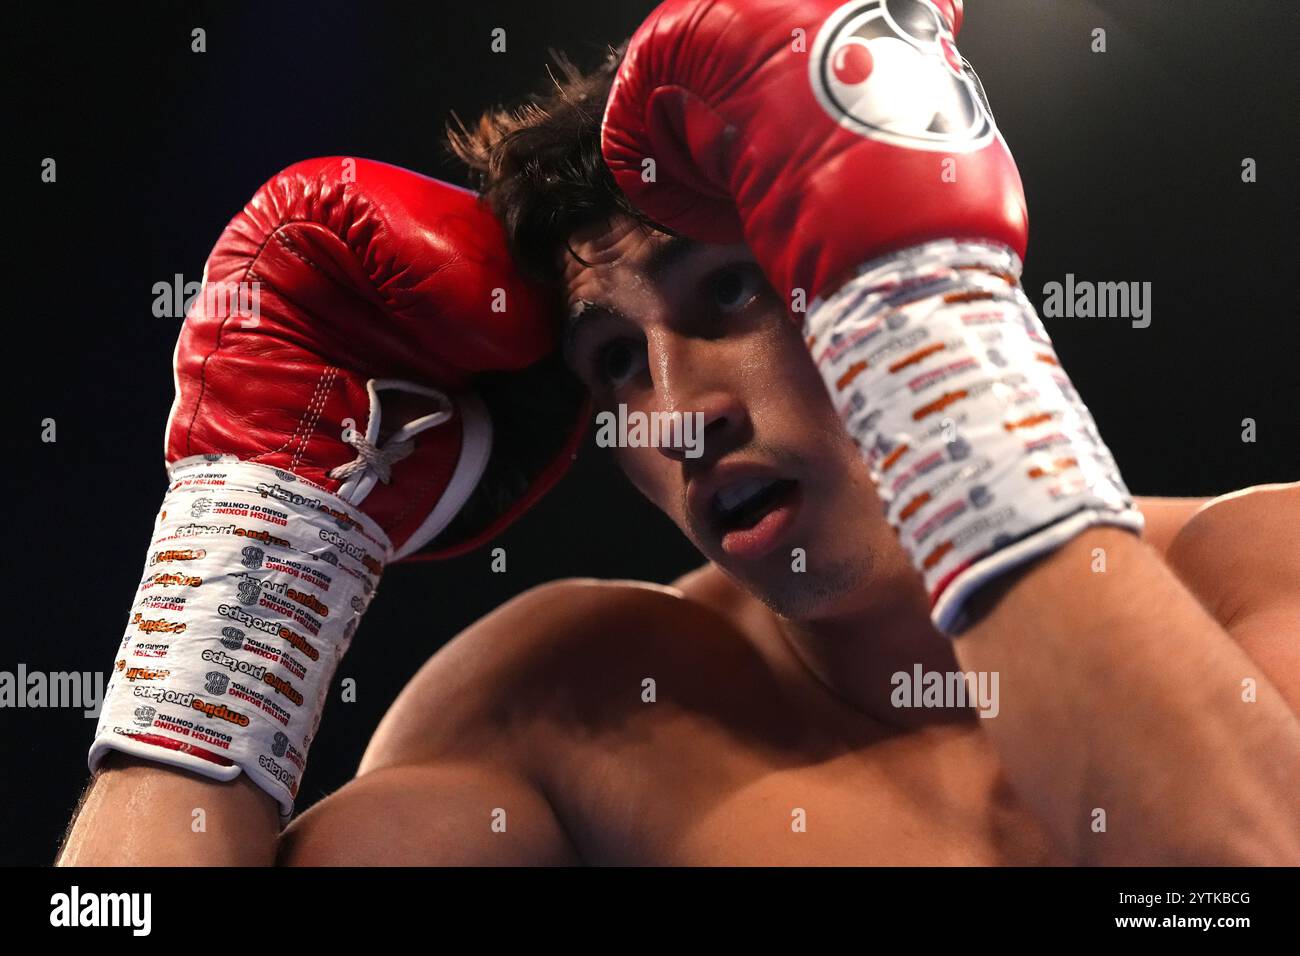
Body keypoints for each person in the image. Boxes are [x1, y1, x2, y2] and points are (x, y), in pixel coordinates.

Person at [60, 0, 1299, 866]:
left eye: (729, 293)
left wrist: (922, 326)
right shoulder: (583, 706)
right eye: (610, 364)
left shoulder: (1266, 577)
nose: (678, 411)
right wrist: (249, 555)